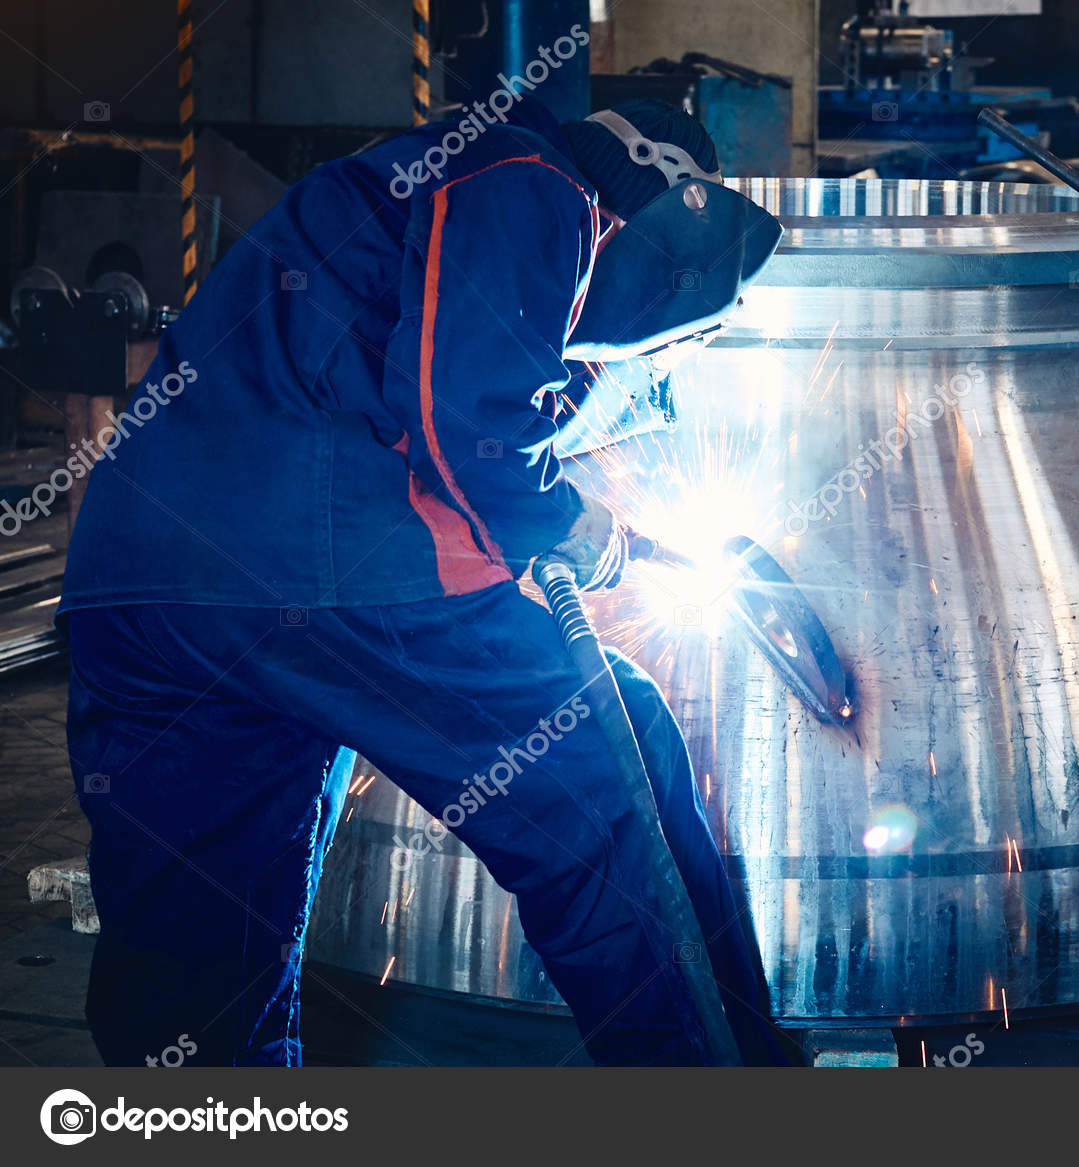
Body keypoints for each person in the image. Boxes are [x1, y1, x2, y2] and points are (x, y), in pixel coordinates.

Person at [58, 96, 785, 1066]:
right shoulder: (534, 181)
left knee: (203, 957)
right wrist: (573, 522)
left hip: (141, 581)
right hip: (338, 564)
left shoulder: (410, 183)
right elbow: (469, 428)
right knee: (617, 766)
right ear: (653, 199)